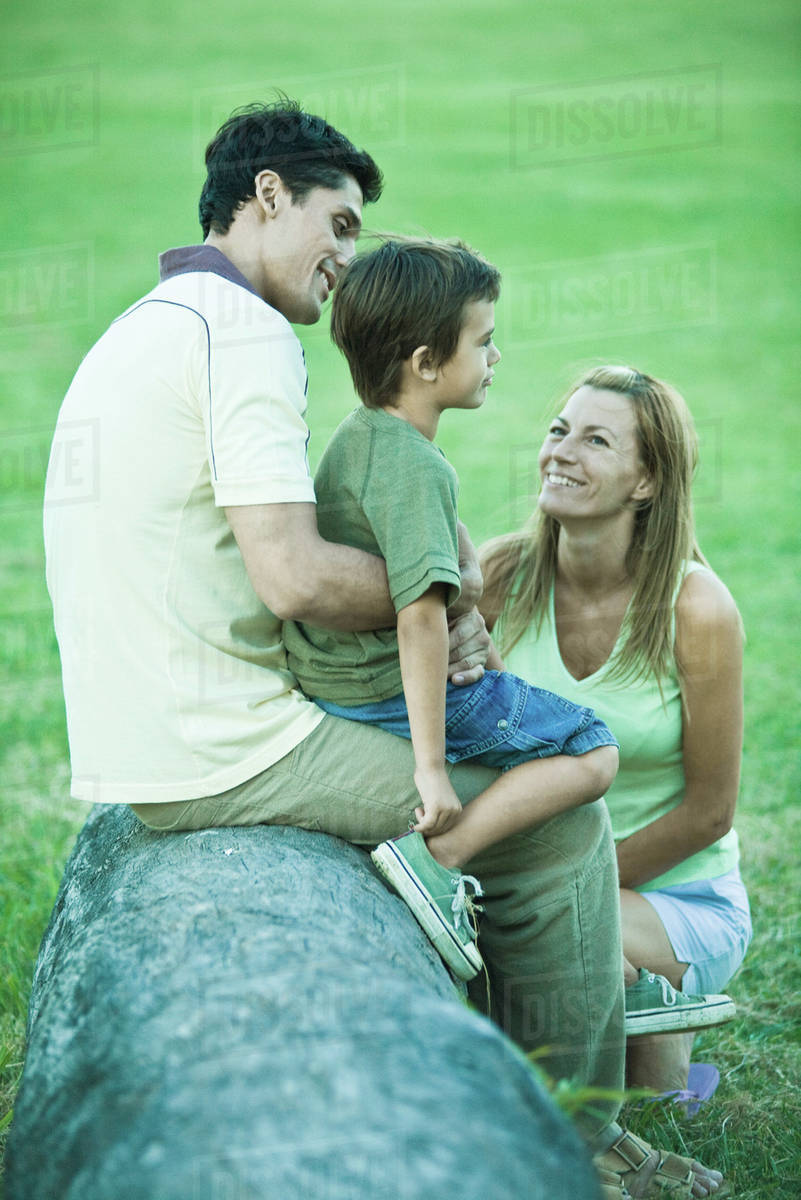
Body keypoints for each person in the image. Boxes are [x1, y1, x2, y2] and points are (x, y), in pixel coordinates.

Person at [42, 100, 725, 1198]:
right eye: (339, 222)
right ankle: (580, 1143)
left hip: (157, 728)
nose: (345, 259)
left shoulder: (159, 319)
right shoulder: (246, 334)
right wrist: (446, 605)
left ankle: (526, 1075)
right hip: (223, 742)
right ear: (266, 198)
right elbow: (298, 576)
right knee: (558, 819)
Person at [283, 236, 621, 979]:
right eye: (484, 341)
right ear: (427, 363)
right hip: (377, 691)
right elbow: (420, 616)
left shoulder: (363, 438)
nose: (495, 358)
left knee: (529, 716)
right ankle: (437, 861)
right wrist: (431, 773)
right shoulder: (415, 467)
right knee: (592, 749)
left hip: (344, 677)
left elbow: (453, 608)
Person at [479, 364, 752, 1098]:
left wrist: (560, 889)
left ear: (646, 484)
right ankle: (644, 1021)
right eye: (557, 431)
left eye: (595, 440)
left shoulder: (696, 609)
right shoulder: (500, 576)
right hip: (531, 878)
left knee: (532, 949)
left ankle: (655, 1020)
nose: (561, 452)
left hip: (674, 897)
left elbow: (709, 812)